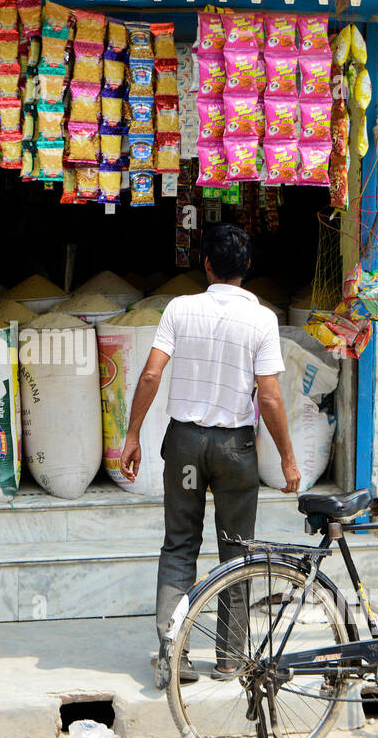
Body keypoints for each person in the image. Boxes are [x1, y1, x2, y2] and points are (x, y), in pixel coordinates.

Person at [120, 223, 300, 689]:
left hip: (183, 443)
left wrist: (133, 434)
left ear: (206, 265)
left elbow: (149, 376)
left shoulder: (180, 309)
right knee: (236, 554)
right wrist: (287, 460)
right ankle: (229, 659)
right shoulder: (260, 319)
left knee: (179, 545)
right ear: (247, 268)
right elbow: (271, 398)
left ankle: (174, 656)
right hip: (235, 448)